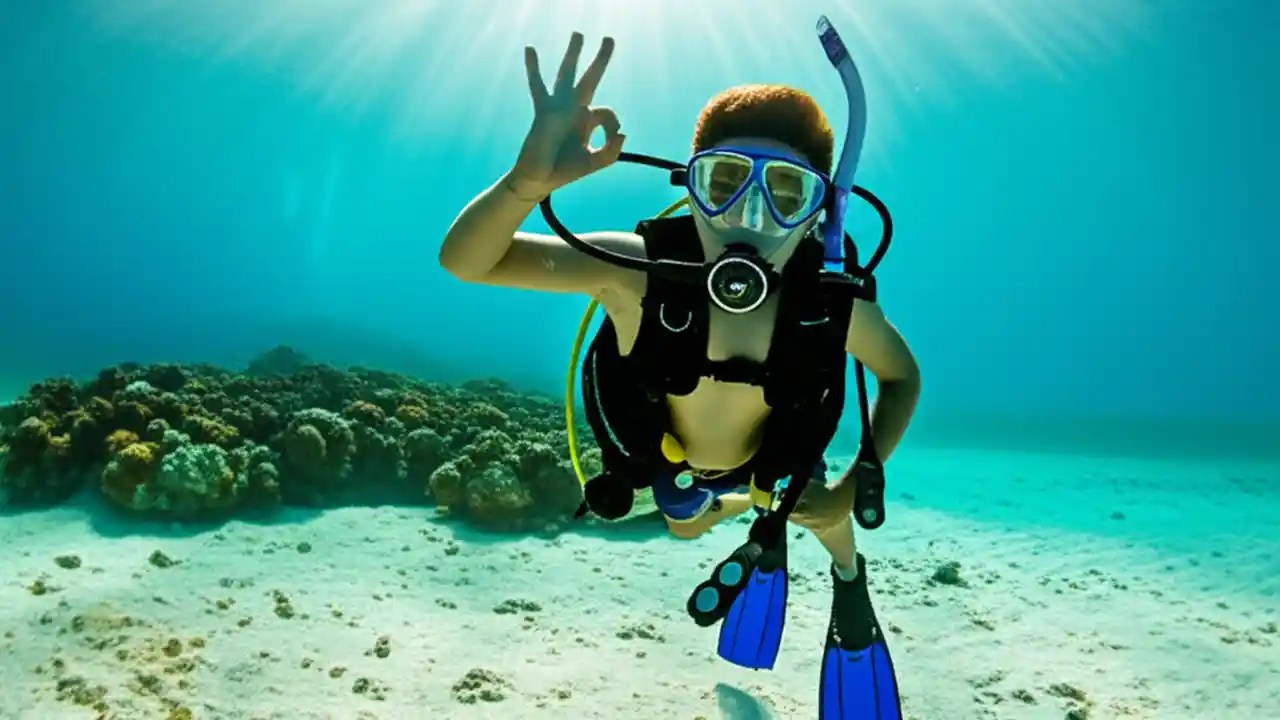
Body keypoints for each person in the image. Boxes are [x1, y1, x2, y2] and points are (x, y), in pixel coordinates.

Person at [441, 26, 919, 719]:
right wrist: (526, 186)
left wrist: (848, 491)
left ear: (820, 212)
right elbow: (467, 261)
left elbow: (902, 378)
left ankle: (847, 576)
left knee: (822, 517)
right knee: (685, 528)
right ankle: (742, 518)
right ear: (690, 191)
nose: (749, 217)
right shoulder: (632, 273)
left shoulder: (831, 307)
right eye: (724, 183)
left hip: (777, 464)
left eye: (784, 193)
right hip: (671, 457)